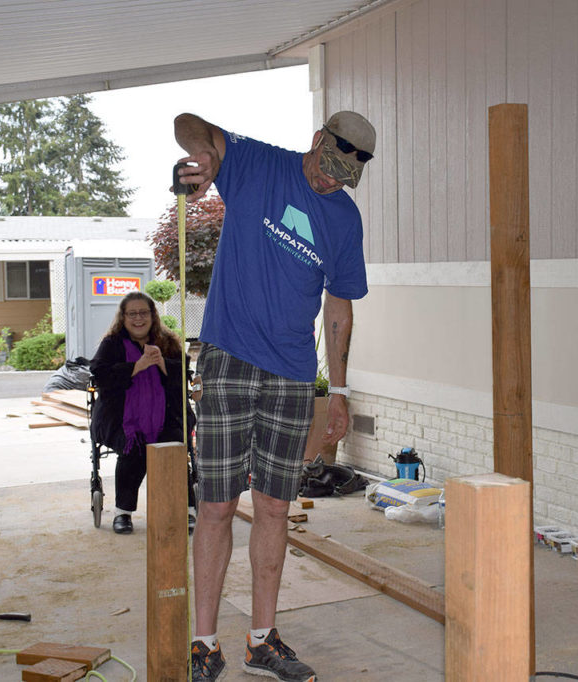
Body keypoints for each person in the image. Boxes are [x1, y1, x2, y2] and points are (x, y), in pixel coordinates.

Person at [174, 109, 375, 682]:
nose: (332, 181)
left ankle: (262, 640)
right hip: (230, 355)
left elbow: (340, 306)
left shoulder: (344, 220)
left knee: (274, 507)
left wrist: (337, 389)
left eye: (345, 175)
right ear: (316, 142)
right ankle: (204, 644)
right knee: (215, 504)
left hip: (290, 375)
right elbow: (189, 123)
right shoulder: (258, 164)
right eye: (329, 166)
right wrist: (207, 157)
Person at [89, 291, 194, 534]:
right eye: (132, 314)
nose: (139, 318)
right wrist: (136, 367)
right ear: (123, 317)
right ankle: (123, 513)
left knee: (174, 447)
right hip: (121, 418)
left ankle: (187, 509)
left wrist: (162, 364)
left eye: (144, 313)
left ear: (152, 315)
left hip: (167, 415)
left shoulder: (166, 341)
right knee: (133, 448)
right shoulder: (112, 344)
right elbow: (100, 375)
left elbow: (183, 374)